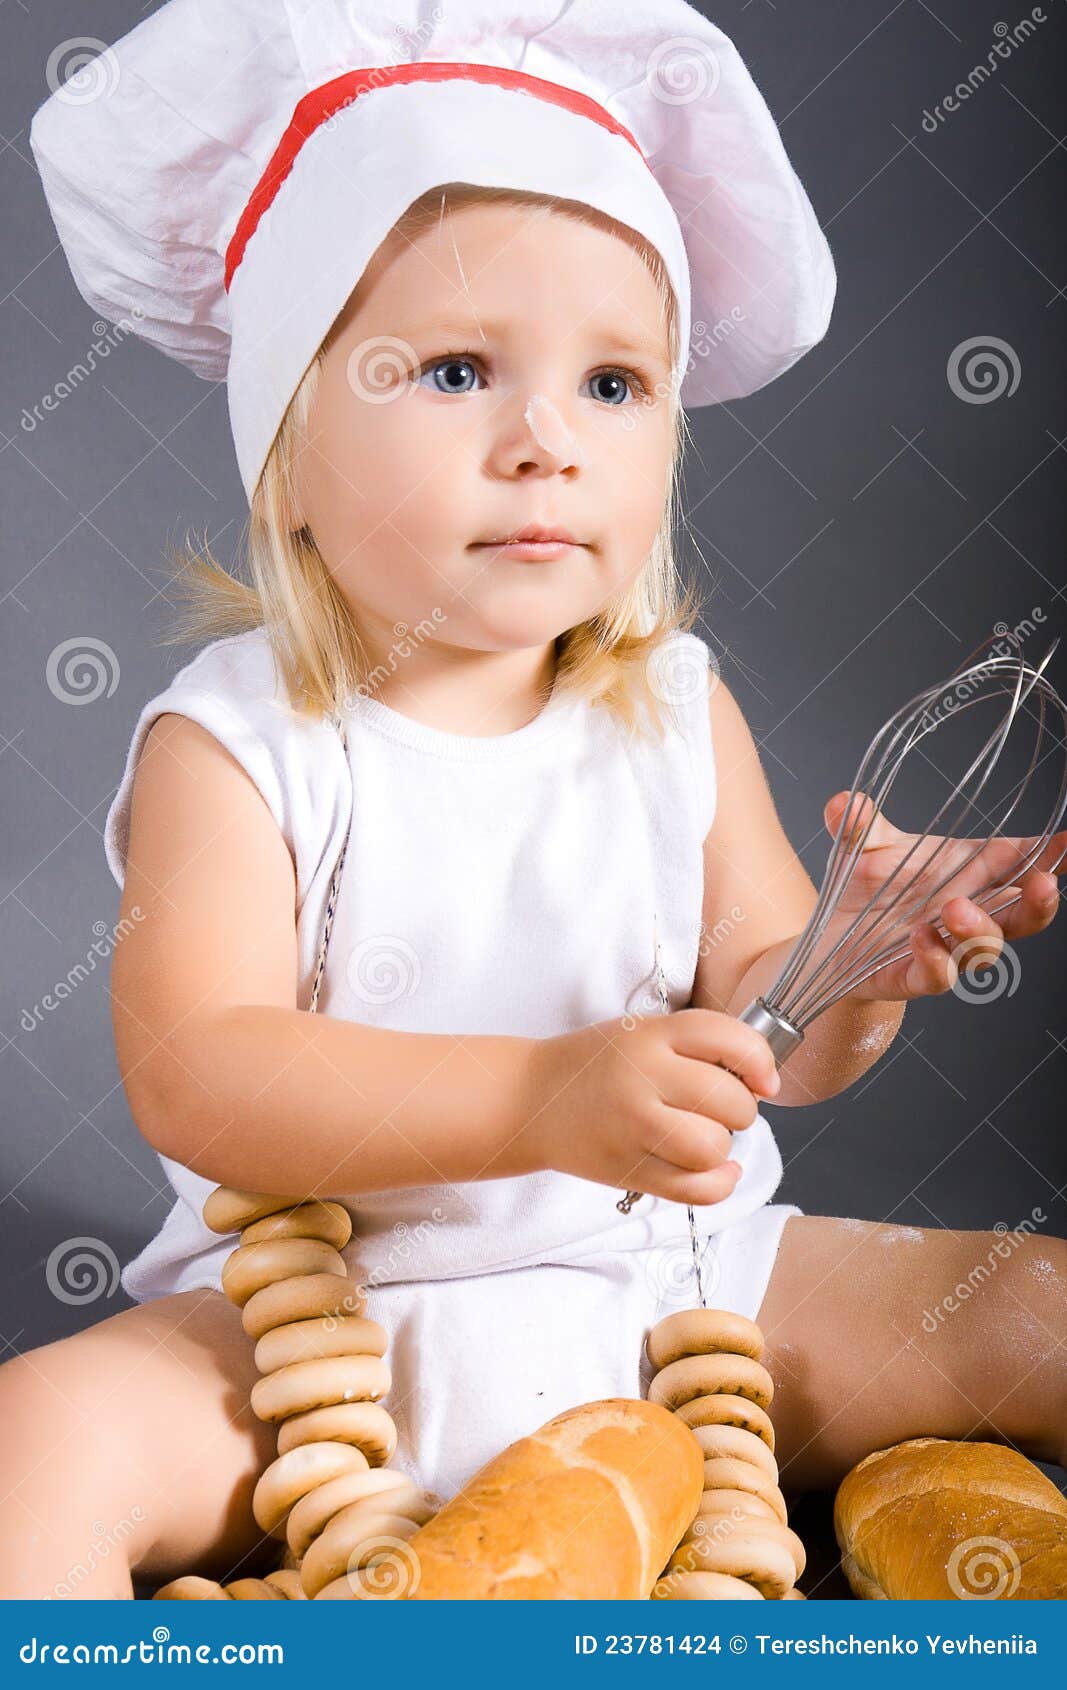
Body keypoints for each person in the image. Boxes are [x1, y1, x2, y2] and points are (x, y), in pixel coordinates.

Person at [4, 0, 1063, 1599]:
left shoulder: (673, 706)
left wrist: (857, 966)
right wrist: (539, 1100)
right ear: (285, 457)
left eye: (617, 385)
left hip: (676, 1291)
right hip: (321, 1328)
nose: (546, 440)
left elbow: (773, 1035)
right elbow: (198, 1069)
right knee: (39, 1444)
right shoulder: (236, 740)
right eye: (452, 369)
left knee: (1030, 1305)